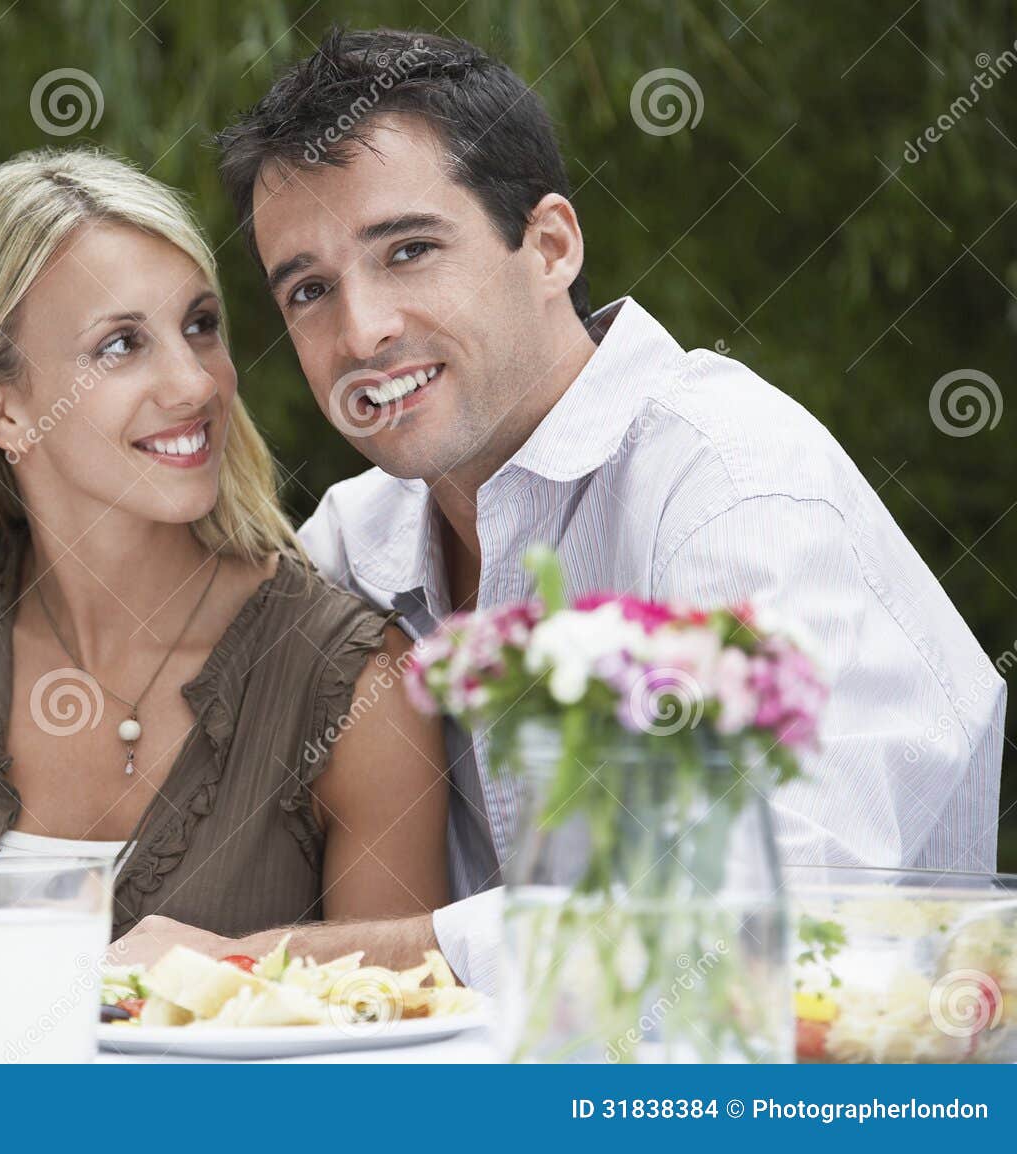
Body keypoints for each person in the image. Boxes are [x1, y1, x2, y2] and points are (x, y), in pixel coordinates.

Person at [112, 28, 1005, 987]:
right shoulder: (351, 544)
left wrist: (275, 965)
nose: (362, 330)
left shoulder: (731, 487)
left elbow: (769, 929)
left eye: (409, 251)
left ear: (549, 246)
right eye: (310, 290)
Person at [0, 148, 449, 1001]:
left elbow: (398, 1066)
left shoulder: (354, 684)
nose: (194, 382)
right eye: (121, 346)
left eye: (200, 324)